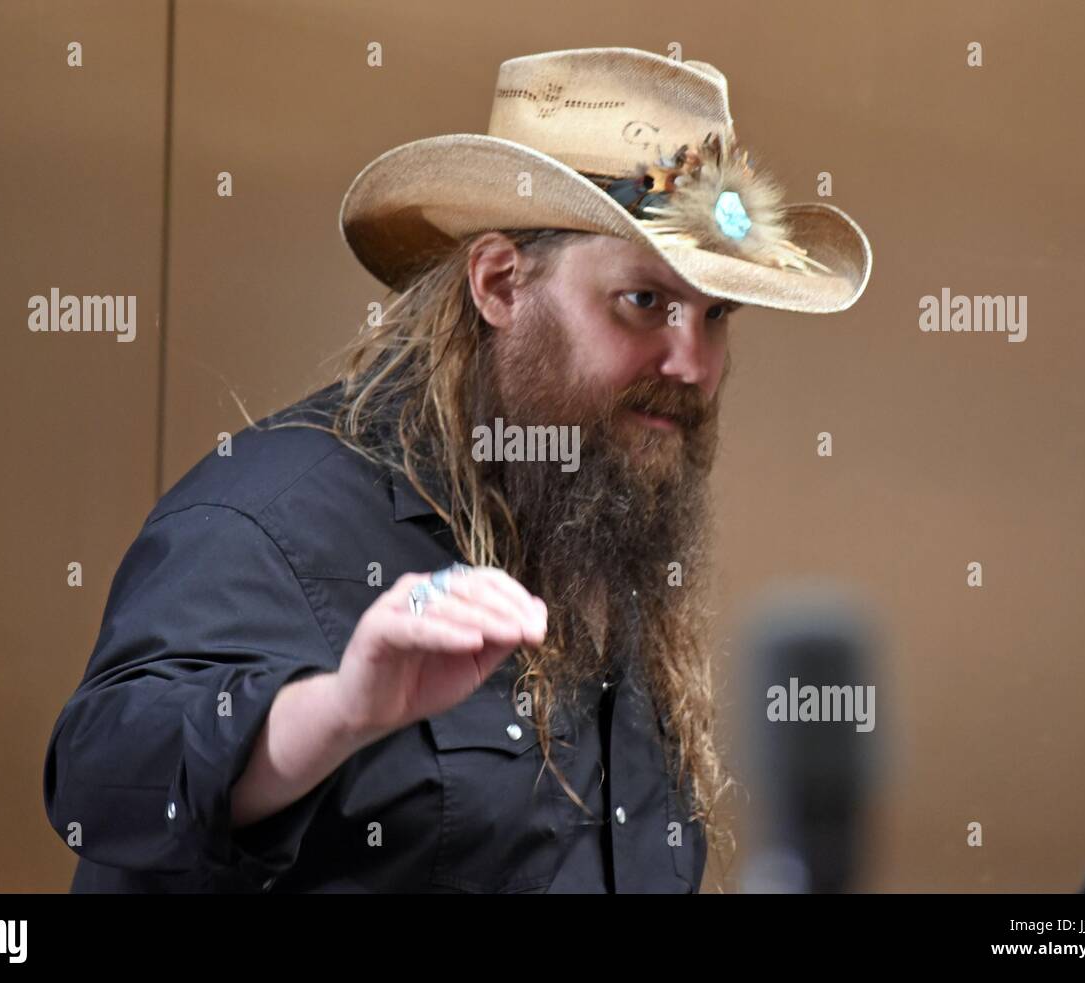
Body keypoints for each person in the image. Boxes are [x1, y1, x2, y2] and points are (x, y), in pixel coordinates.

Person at [42, 45, 872, 893]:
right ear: (501, 283)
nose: (692, 363)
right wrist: (334, 712)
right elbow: (99, 774)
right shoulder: (272, 515)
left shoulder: (601, 513)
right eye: (645, 302)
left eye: (716, 314)